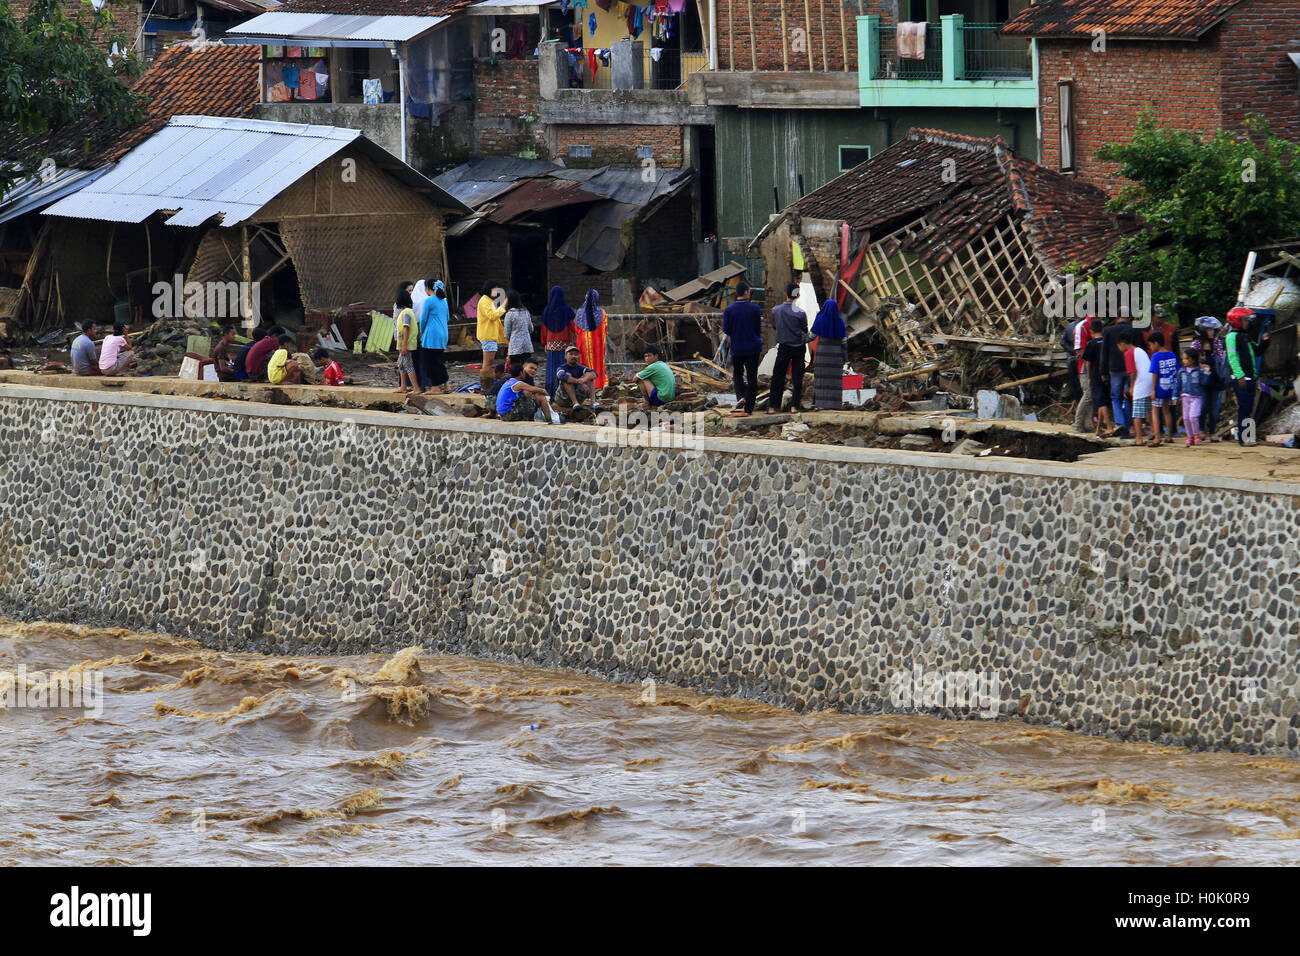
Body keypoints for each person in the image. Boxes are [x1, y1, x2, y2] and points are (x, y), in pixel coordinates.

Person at [721, 281, 763, 416]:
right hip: (753, 347)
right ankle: (749, 408)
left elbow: (726, 329)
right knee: (752, 377)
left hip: (737, 347)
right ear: (746, 292)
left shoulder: (729, 310)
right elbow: (758, 329)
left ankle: (741, 397)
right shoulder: (755, 309)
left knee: (737, 374)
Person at [768, 282, 810, 413]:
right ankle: (794, 406)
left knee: (778, 376)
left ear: (785, 294)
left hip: (784, 347)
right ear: (798, 295)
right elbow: (804, 329)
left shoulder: (776, 310)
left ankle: (772, 407)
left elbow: (775, 326)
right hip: (798, 348)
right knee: (797, 377)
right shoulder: (801, 313)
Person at [1226, 306, 1260, 446]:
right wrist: (1240, 376)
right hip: (1241, 378)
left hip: (1250, 377)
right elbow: (1232, 358)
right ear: (1237, 321)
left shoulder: (1246, 336)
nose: (1247, 323)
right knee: (1244, 407)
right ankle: (1243, 438)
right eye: (1245, 320)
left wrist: (1266, 340)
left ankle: (1249, 437)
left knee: (1249, 407)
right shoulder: (1231, 337)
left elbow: (1257, 351)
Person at [1192, 316, 1227, 441]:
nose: (1212, 332)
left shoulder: (1217, 342)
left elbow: (1219, 359)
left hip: (1215, 379)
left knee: (1213, 407)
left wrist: (1205, 360)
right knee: (1203, 405)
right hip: (1201, 381)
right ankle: (1201, 429)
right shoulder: (1196, 344)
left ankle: (1212, 432)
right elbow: (1192, 361)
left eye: (1213, 330)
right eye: (1209, 330)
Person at [1101, 311, 1133, 438]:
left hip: (1115, 369)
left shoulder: (1109, 331)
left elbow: (1104, 352)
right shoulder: (1134, 330)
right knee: (1128, 397)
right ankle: (1127, 429)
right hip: (1131, 369)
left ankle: (1120, 423)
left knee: (1115, 397)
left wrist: (1103, 371)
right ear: (1129, 317)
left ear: (1117, 317)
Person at [810, 298, 846, 410]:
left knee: (822, 378)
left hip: (822, 354)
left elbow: (811, 336)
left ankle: (821, 404)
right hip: (835, 355)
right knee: (834, 380)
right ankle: (835, 405)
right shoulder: (839, 321)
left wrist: (798, 340)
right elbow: (844, 342)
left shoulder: (820, 319)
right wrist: (844, 356)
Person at [496, 358, 559, 423]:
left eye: (535, 369)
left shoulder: (509, 381)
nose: (533, 371)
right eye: (524, 372)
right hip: (509, 414)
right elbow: (539, 390)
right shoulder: (518, 383)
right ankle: (550, 421)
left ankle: (530, 419)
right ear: (521, 373)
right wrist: (546, 394)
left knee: (530, 399)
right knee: (541, 398)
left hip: (503, 414)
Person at [539, 285, 576, 395]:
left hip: (551, 343)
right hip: (565, 343)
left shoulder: (547, 310)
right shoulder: (567, 310)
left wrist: (544, 342)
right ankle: (564, 391)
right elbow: (573, 326)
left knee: (552, 367)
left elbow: (544, 328)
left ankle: (551, 390)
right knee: (564, 366)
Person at [473, 281, 506, 393]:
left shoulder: (488, 300)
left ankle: (487, 386)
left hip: (490, 335)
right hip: (487, 335)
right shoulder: (484, 301)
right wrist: (503, 305)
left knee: (488, 362)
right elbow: (492, 316)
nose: (496, 292)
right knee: (488, 362)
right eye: (495, 289)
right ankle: (486, 387)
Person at [418, 278, 451, 393]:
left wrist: (422, 330)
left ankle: (435, 387)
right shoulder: (444, 301)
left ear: (427, 288)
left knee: (429, 362)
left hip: (432, 335)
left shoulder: (429, 300)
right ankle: (447, 385)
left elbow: (423, 319)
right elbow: (447, 317)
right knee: (439, 360)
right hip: (443, 333)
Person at [1080, 319, 1110, 436]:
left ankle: (1108, 426)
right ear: (1103, 330)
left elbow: (1087, 362)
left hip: (1095, 375)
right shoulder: (1106, 342)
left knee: (1100, 402)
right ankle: (1099, 428)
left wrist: (1088, 377)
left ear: (1091, 331)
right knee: (1103, 400)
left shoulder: (1091, 344)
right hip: (1107, 374)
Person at [1149, 332, 1180, 444]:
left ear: (1156, 343)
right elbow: (1177, 371)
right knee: (1167, 411)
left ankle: (1157, 437)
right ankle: (1169, 435)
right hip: (1170, 388)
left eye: (1151, 345)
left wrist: (1152, 390)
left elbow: (1155, 374)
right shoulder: (1172, 354)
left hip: (1159, 389)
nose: (1151, 347)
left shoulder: (1155, 356)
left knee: (1155, 411)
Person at [1121, 332, 1152, 445]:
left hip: (1141, 383)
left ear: (1123, 344)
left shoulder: (1129, 353)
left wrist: (1132, 387)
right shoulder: (1140, 350)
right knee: (1149, 410)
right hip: (1149, 382)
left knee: (1137, 413)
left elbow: (1132, 372)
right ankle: (1155, 433)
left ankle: (1139, 439)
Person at [574, 289, 608, 389]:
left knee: (585, 364)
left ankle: (588, 385)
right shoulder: (602, 313)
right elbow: (605, 328)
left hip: (584, 343)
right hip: (598, 343)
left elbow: (576, 329)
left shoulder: (580, 313)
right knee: (599, 362)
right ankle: (599, 383)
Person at [1178, 349, 1211, 446]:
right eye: (1183, 359)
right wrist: (1175, 395)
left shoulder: (1199, 371)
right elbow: (1178, 384)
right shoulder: (1182, 371)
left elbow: (1204, 382)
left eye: (1186, 359)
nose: (1184, 361)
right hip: (1185, 397)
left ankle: (1196, 434)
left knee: (1193, 417)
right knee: (1186, 418)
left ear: (1193, 360)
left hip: (1196, 397)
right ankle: (1190, 436)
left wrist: (1207, 373)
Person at [393, 286, 422, 396]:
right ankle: (403, 386)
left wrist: (404, 345)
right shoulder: (407, 312)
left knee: (408, 365)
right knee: (401, 364)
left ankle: (416, 388)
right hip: (403, 344)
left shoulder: (406, 313)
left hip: (407, 344)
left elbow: (406, 328)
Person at [553, 346, 597, 411]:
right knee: (567, 376)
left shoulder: (580, 367)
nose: (573, 356)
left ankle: (593, 402)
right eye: (571, 354)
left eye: (576, 354)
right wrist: (579, 382)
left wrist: (584, 379)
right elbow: (561, 376)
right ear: (565, 356)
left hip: (578, 396)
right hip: (563, 398)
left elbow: (594, 373)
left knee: (589, 375)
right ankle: (575, 403)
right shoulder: (561, 368)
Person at [503, 289, 534, 365]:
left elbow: (506, 334)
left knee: (516, 370)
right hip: (527, 346)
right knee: (526, 369)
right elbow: (531, 329)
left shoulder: (509, 314)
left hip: (515, 347)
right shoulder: (526, 312)